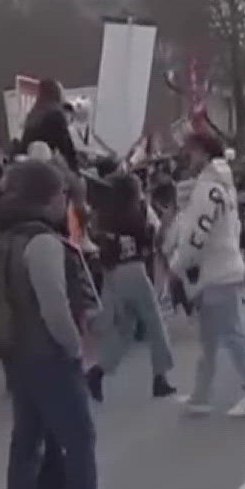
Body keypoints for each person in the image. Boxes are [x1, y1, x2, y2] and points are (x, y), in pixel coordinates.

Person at [0, 159, 136, 489]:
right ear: (47, 198)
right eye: (61, 194)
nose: (64, 202)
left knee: (26, 440)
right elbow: (54, 305)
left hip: (18, 352)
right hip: (50, 355)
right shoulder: (43, 243)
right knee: (78, 439)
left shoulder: (4, 238)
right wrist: (74, 348)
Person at [170, 131, 245, 417]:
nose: (187, 158)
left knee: (231, 333)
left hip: (216, 271)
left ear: (202, 152)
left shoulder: (207, 190)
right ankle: (201, 394)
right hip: (221, 267)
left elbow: (196, 235)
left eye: (190, 151)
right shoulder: (222, 186)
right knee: (210, 338)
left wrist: (178, 264)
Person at [84, 171, 176, 401]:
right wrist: (164, 224)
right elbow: (148, 243)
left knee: (126, 329)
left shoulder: (104, 216)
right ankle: (160, 376)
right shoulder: (134, 214)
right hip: (133, 270)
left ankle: (99, 371)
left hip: (113, 273)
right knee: (155, 323)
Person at [20, 78, 80, 171]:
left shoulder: (33, 114)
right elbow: (66, 149)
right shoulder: (55, 115)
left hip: (31, 168)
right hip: (48, 169)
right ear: (56, 94)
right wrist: (76, 171)